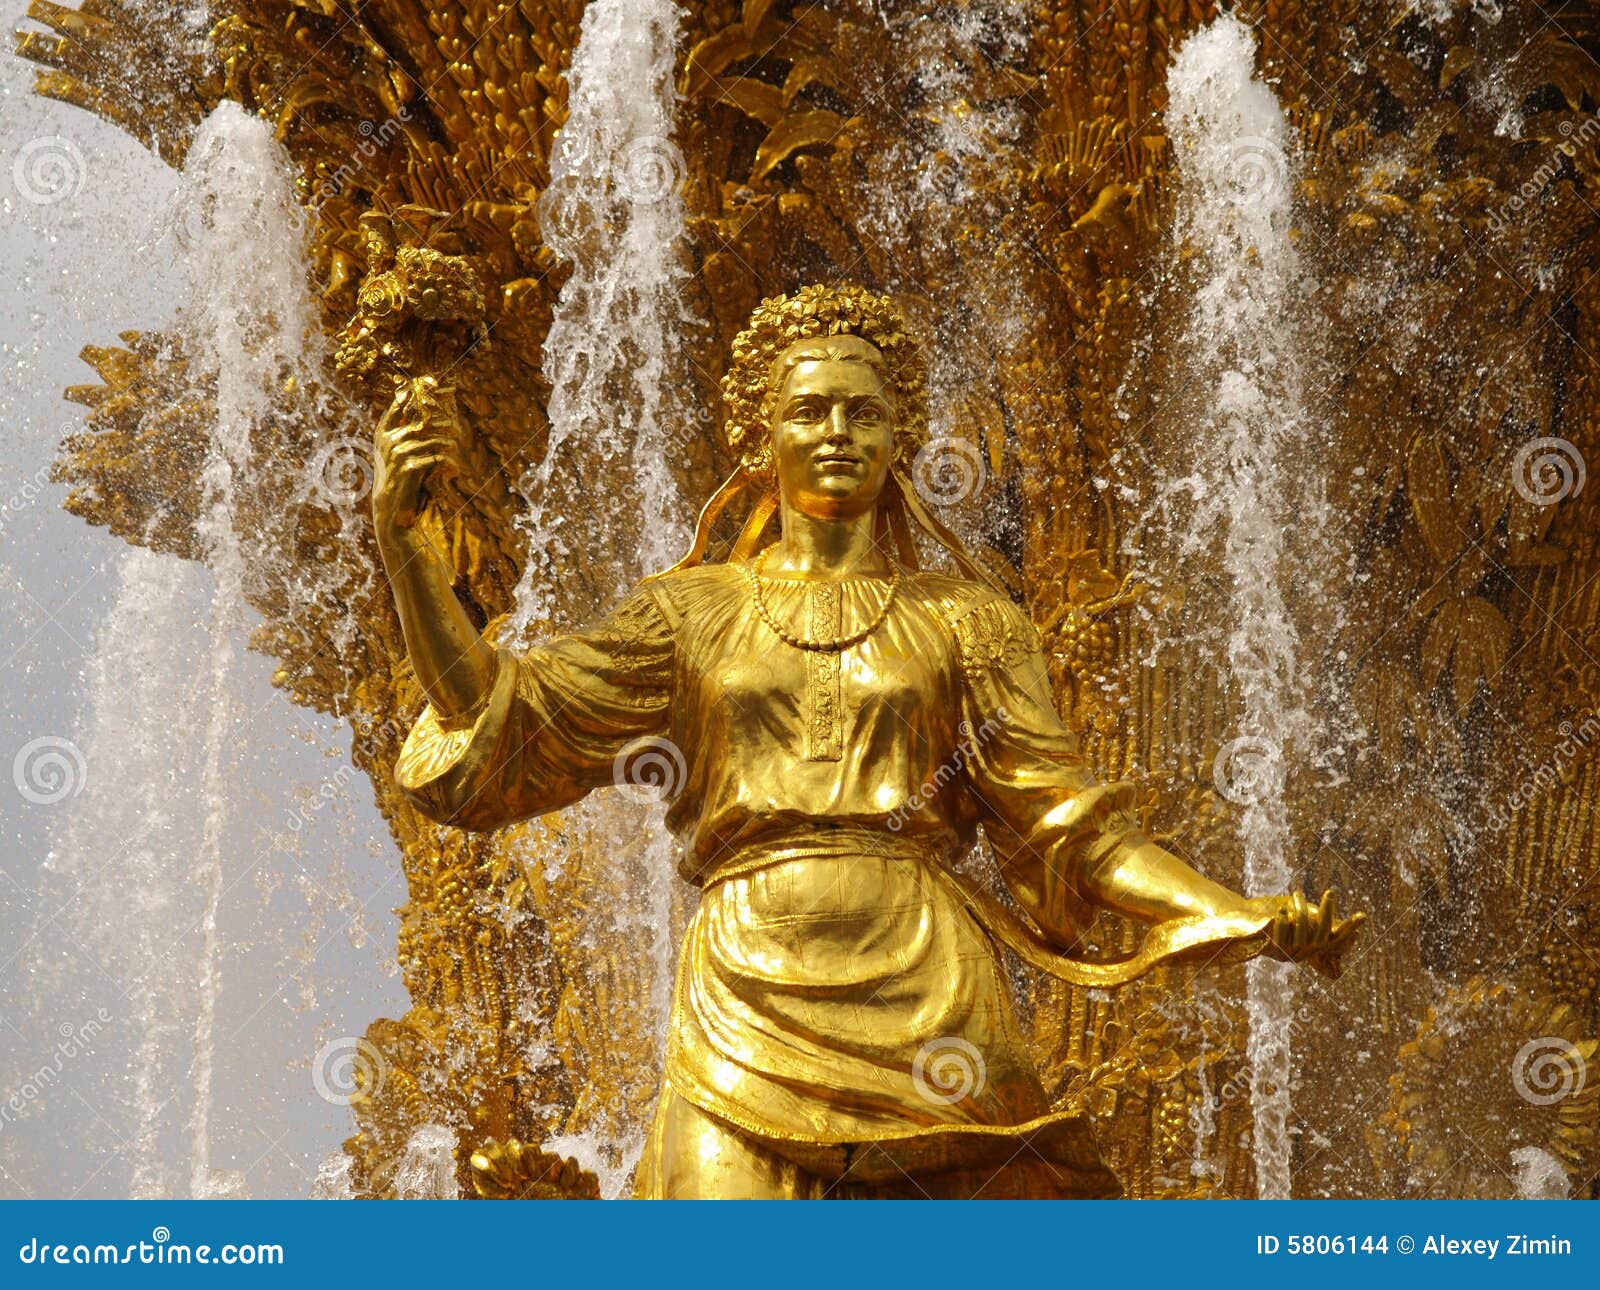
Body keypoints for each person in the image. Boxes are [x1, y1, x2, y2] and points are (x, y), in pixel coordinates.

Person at [373, 283, 1361, 1199]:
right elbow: (498, 710)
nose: (838, 431)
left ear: (900, 436)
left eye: (865, 412)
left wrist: (1231, 911)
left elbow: (1074, 825)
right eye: (809, 411)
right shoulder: (687, 615)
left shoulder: (969, 621)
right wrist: (405, 543)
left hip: (928, 978)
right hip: (745, 982)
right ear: (760, 437)